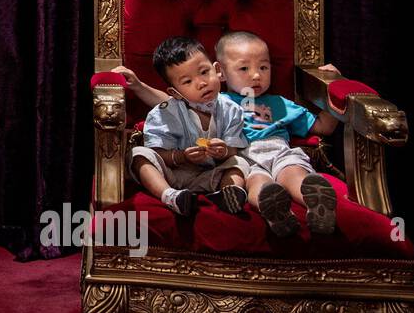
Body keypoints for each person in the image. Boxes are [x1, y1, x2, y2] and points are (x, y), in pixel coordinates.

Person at [214, 31, 341, 236]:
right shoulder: (217, 103)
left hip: (281, 151)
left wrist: (334, 89)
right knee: (257, 183)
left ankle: (317, 205)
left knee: (294, 173)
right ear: (220, 72)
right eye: (244, 68)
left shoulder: (281, 103)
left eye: (263, 67)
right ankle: (275, 211)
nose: (256, 75)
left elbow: (324, 127)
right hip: (246, 157)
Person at [126, 38, 250, 216]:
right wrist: (181, 157)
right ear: (174, 93)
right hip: (176, 175)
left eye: (204, 72)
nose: (201, 83)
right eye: (187, 81)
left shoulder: (232, 110)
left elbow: (233, 150)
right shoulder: (164, 114)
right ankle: (170, 196)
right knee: (138, 155)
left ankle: (228, 194)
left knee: (240, 162)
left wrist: (224, 151)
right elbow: (159, 153)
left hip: (213, 174)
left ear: (217, 70)